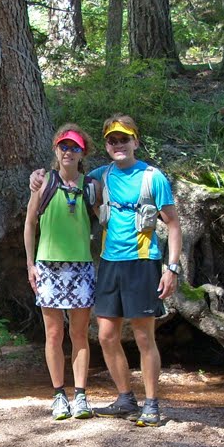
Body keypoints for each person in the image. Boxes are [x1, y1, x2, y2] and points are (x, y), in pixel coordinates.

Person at [30, 114, 182, 426]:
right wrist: (37, 177)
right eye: (112, 140)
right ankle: (126, 398)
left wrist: (172, 268)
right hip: (110, 263)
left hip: (143, 262)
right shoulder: (102, 175)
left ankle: (151, 404)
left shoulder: (153, 178)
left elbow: (174, 224)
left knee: (143, 335)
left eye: (124, 139)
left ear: (135, 142)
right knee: (108, 335)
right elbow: (70, 175)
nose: (118, 144)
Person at [23, 124, 102, 421]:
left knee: (79, 334)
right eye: (64, 147)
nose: (68, 152)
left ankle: (80, 396)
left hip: (81, 267)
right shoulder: (43, 183)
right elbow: (30, 224)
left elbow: (105, 219)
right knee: (53, 335)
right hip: (48, 267)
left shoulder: (91, 186)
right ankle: (59, 396)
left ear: (83, 153)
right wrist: (30, 264)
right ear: (56, 150)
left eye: (75, 148)